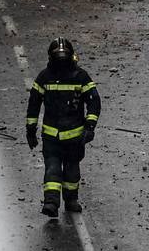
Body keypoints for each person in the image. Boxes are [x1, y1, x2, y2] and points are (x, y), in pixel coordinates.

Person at [25, 38, 100, 217]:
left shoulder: (79, 77)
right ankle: (51, 202)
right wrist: (30, 129)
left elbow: (94, 101)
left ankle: (70, 199)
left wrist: (90, 126)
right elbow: (34, 104)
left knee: (71, 171)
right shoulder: (48, 77)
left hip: (73, 137)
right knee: (53, 169)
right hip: (54, 138)